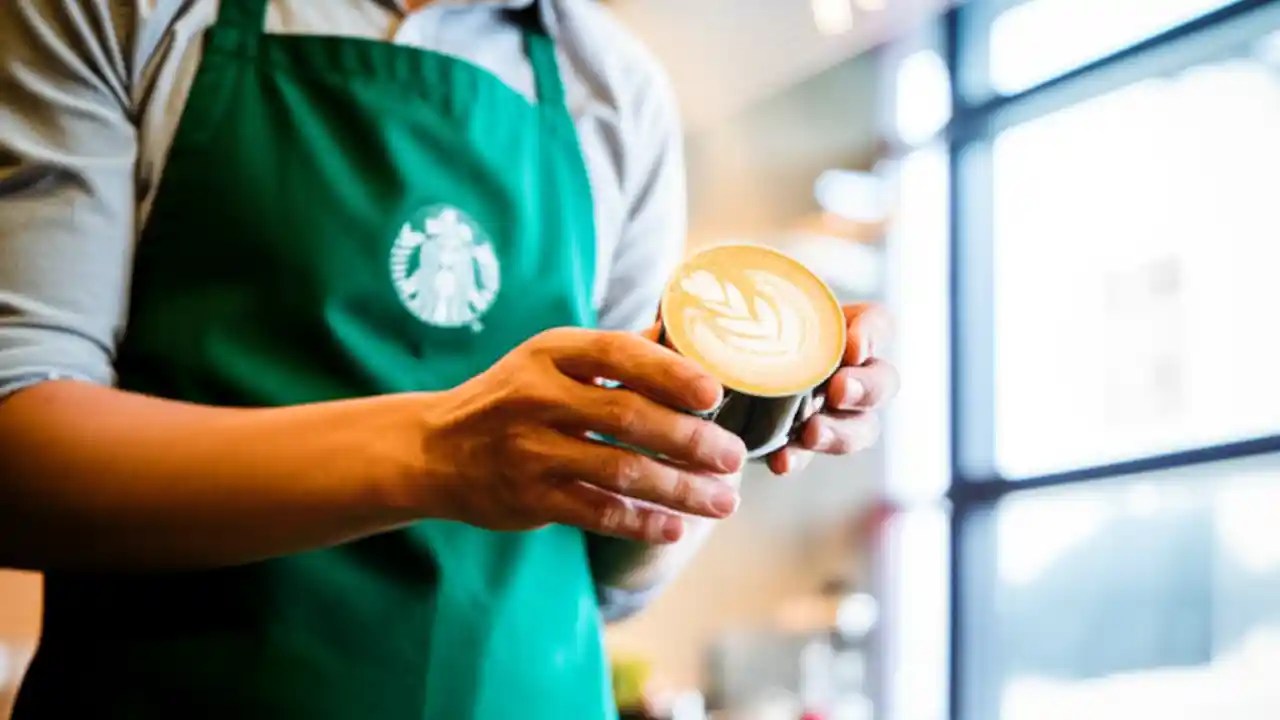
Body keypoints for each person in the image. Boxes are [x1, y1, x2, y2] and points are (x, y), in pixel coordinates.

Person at [0, 1, 900, 718]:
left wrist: (709, 438)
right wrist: (439, 452)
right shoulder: (117, 14)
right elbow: (20, 452)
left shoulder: (618, 90)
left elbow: (611, 577)